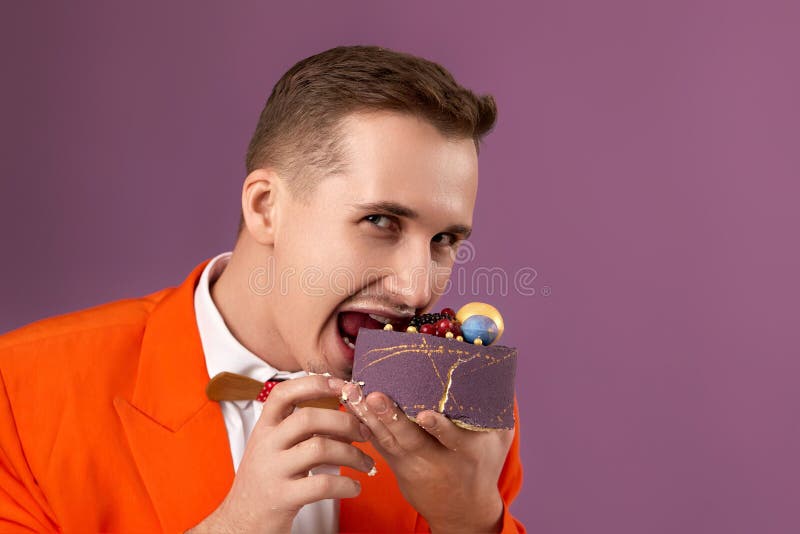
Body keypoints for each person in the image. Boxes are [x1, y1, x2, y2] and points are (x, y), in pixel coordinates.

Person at [0, 45, 524, 533]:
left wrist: (471, 520)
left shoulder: (457, 407)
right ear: (265, 207)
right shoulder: (19, 396)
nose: (415, 289)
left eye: (445, 239)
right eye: (381, 220)